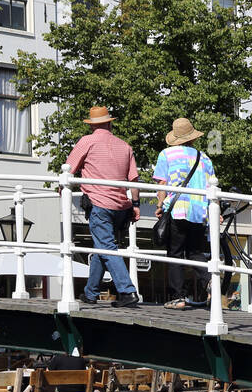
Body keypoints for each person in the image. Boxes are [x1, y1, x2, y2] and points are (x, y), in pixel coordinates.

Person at [65, 106, 141, 308]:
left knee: (107, 247)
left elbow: (69, 169)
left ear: (92, 125)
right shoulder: (125, 146)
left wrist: (61, 189)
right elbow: (134, 179)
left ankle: (127, 291)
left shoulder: (86, 142)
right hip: (121, 206)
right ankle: (91, 293)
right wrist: (135, 205)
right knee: (102, 247)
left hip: (99, 204)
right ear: (110, 122)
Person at [153, 117, 216, 310]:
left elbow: (162, 183)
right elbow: (212, 186)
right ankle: (209, 281)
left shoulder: (166, 154)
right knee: (195, 251)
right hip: (199, 211)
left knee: (175, 253)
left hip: (178, 209)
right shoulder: (204, 157)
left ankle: (178, 297)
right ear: (193, 138)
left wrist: (160, 204)